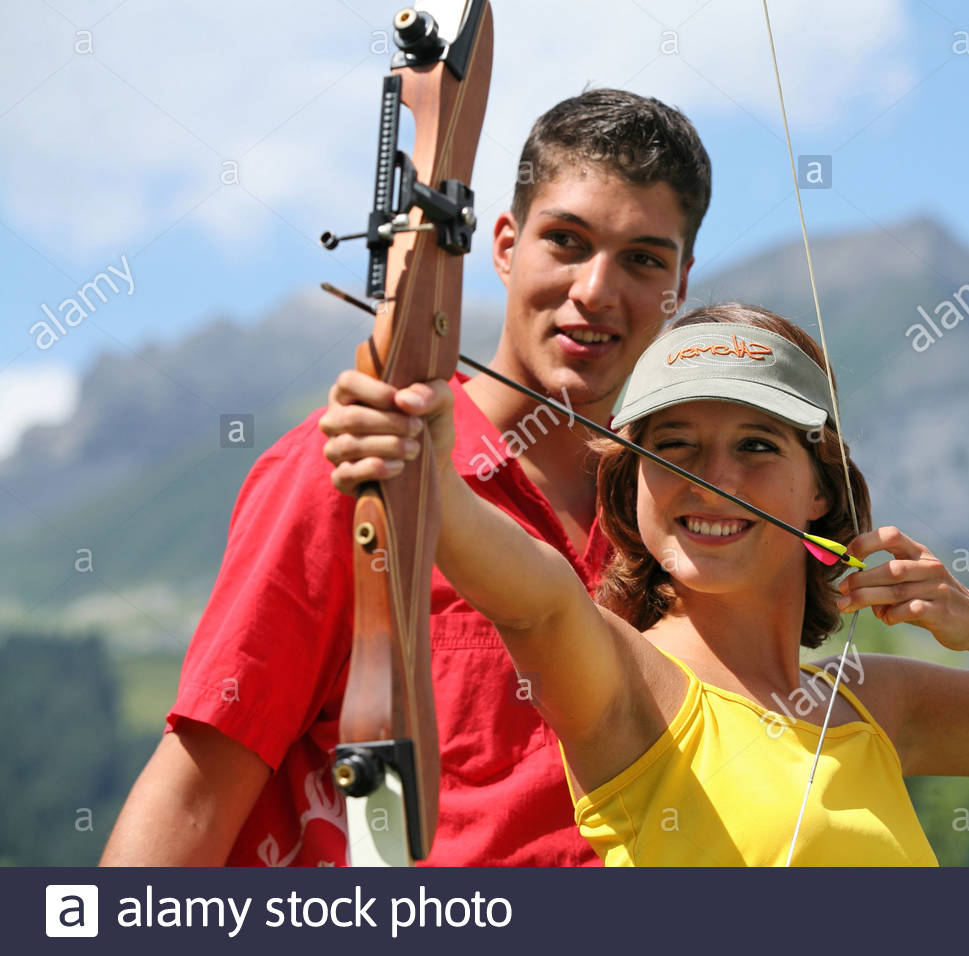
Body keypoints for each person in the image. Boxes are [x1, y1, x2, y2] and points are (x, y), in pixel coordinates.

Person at [100, 89, 711, 866]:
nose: (595, 290)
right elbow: (194, 792)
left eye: (642, 259)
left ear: (680, 286)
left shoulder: (686, 515)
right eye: (566, 241)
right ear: (502, 245)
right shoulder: (354, 468)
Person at [385, 301, 969, 866]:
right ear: (629, 487)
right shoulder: (623, 682)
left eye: (756, 445)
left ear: (821, 489)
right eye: (673, 447)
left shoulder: (872, 706)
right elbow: (535, 599)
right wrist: (425, 467)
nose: (714, 483)